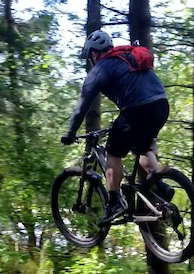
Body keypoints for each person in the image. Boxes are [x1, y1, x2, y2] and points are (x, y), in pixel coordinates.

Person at [61, 30, 172, 225]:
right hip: (161, 105)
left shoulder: (99, 70)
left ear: (94, 54)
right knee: (143, 146)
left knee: (113, 153)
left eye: (90, 58)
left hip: (137, 109)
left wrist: (70, 134)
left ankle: (114, 203)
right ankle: (160, 184)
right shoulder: (129, 56)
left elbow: (81, 108)